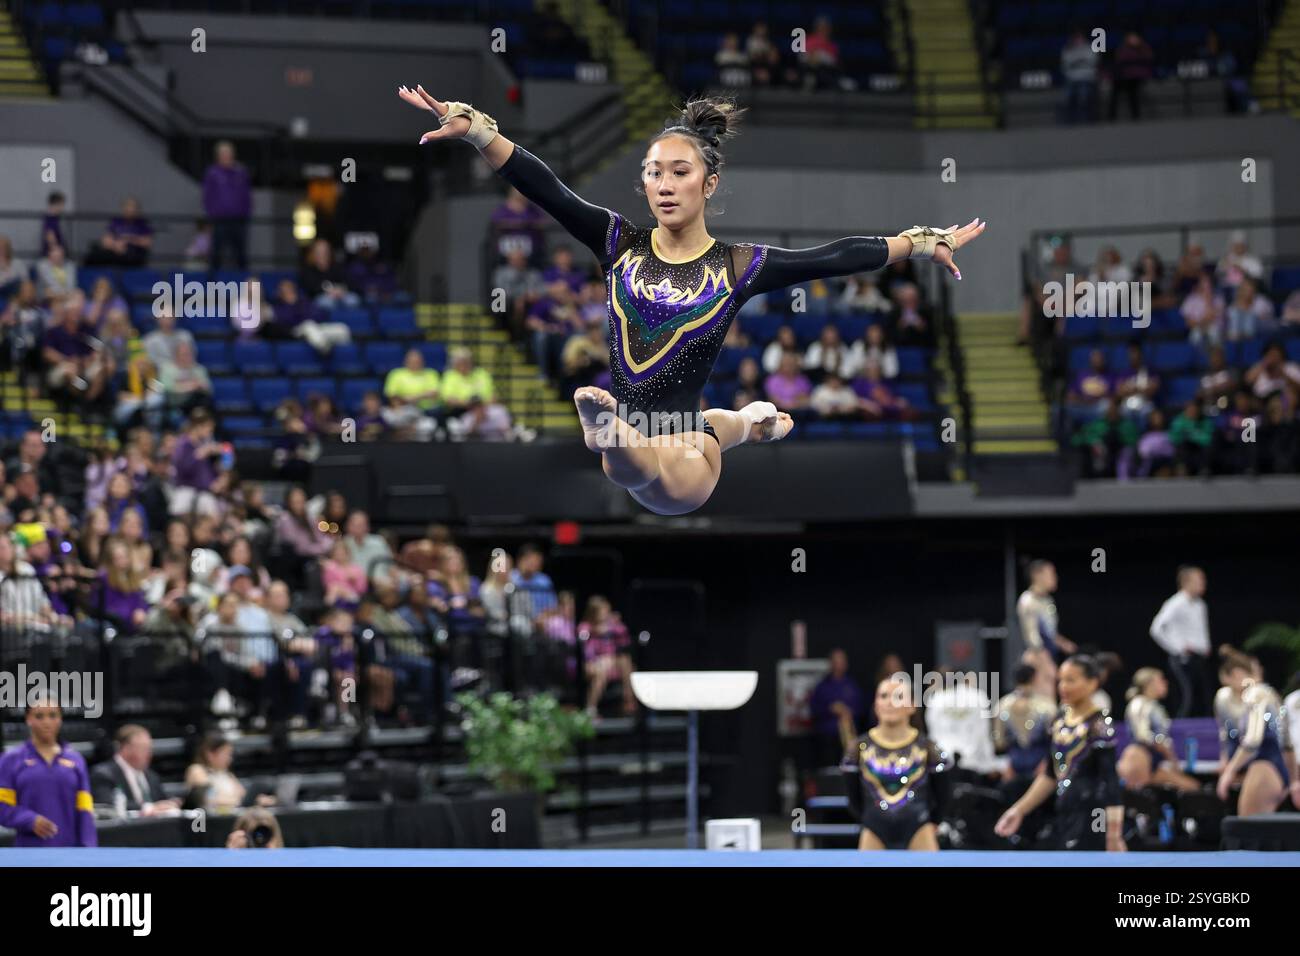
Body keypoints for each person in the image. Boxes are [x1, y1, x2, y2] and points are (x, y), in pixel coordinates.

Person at [398, 86, 984, 515]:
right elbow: (545, 187)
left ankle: (623, 431)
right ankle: (756, 422)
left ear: (708, 185)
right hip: (688, 430)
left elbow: (829, 257)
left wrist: (922, 243)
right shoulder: (617, 242)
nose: (664, 184)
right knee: (719, 426)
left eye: (680, 172)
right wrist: (476, 128)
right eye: (654, 173)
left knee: (638, 459)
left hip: (685, 462)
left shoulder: (739, 267)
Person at [995, 655, 1126, 851]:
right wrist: (1019, 810)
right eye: (1060, 680)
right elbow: (1050, 774)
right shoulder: (1059, 720)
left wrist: (1114, 835)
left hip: (1094, 815)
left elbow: (1110, 780)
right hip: (1065, 811)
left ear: (1092, 683)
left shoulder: (1098, 724)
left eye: (1071, 680)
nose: (1063, 686)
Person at [840, 676, 946, 851]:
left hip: (919, 830)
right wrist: (868, 820)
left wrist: (935, 820)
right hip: (874, 831)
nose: (889, 702)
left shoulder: (928, 748)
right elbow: (853, 798)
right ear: (875, 705)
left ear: (912, 705)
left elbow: (943, 795)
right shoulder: (858, 749)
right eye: (883, 696)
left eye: (897, 697)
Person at [0, 701, 98, 847]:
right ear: (28, 719)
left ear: (60, 719)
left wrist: (89, 848)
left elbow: (85, 810)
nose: (47, 722)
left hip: (70, 852)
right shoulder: (11, 759)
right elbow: (3, 806)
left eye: (53, 715)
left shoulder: (76, 760)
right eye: (39, 716)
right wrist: (29, 820)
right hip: (28, 853)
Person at [1214, 646, 1291, 816]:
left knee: (1251, 830)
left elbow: (1253, 742)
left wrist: (1229, 771)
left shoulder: (1258, 694)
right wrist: (1225, 760)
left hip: (1266, 763)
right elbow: (1226, 734)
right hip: (1258, 765)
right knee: (1255, 830)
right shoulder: (1226, 697)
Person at [1117, 668, 1200, 792]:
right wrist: (1170, 756)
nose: (1165, 683)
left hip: (1153, 760)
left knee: (1192, 787)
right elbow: (1143, 736)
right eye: (1161, 680)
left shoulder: (1153, 705)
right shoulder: (1139, 703)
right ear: (1149, 684)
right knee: (1141, 798)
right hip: (1140, 758)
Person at [1149, 565, 1212, 718]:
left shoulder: (1200, 605)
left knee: (1204, 698)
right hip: (1183, 660)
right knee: (1186, 697)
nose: (1203, 583)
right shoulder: (1176, 603)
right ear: (1186, 582)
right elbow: (1156, 628)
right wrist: (1178, 648)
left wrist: (1206, 647)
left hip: (1200, 658)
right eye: (1199, 580)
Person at [1016, 559, 1076, 700]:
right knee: (1042, 703)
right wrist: (1045, 662)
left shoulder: (1048, 601)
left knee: (1049, 700)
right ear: (1037, 575)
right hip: (1037, 658)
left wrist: (1064, 644)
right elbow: (1032, 636)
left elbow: (1050, 633)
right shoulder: (1028, 600)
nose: (1055, 578)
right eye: (1051, 573)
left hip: (1048, 655)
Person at [90, 724, 181, 816]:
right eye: (143, 748)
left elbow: (160, 802)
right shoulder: (103, 774)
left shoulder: (151, 776)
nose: (149, 754)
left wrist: (170, 804)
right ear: (126, 748)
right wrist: (147, 809)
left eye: (149, 749)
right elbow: (108, 806)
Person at [807, 648, 866, 767]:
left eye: (841, 661)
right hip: (827, 739)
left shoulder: (852, 686)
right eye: (835, 661)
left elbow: (861, 709)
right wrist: (830, 708)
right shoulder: (822, 687)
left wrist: (848, 711)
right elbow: (813, 710)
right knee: (829, 768)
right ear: (830, 663)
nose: (838, 664)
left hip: (849, 737)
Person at [203, 141, 252, 271]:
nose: (226, 157)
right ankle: (212, 282)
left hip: (239, 219)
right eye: (223, 154)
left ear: (233, 155)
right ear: (218, 156)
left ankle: (245, 279)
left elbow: (247, 195)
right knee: (217, 251)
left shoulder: (241, 172)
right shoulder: (212, 173)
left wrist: (246, 214)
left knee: (241, 251)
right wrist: (212, 215)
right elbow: (207, 196)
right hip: (219, 219)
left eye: (228, 154)